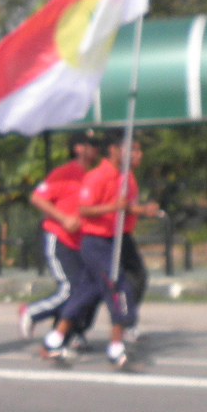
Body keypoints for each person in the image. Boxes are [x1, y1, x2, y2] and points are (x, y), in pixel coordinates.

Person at [45, 138, 160, 370]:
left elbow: (126, 206)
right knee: (118, 287)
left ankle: (53, 340)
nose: (137, 154)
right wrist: (112, 207)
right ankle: (116, 350)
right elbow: (85, 209)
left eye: (139, 150)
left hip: (116, 240)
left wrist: (142, 210)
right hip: (96, 242)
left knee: (86, 292)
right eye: (132, 149)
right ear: (114, 149)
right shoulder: (97, 176)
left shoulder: (127, 177)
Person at [19, 130, 102, 342]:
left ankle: (71, 331)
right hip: (59, 237)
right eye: (91, 144)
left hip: (83, 243)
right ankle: (33, 311)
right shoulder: (64, 172)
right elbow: (37, 198)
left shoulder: (95, 176)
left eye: (96, 145)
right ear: (78, 148)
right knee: (70, 288)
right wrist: (63, 218)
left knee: (92, 289)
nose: (96, 149)